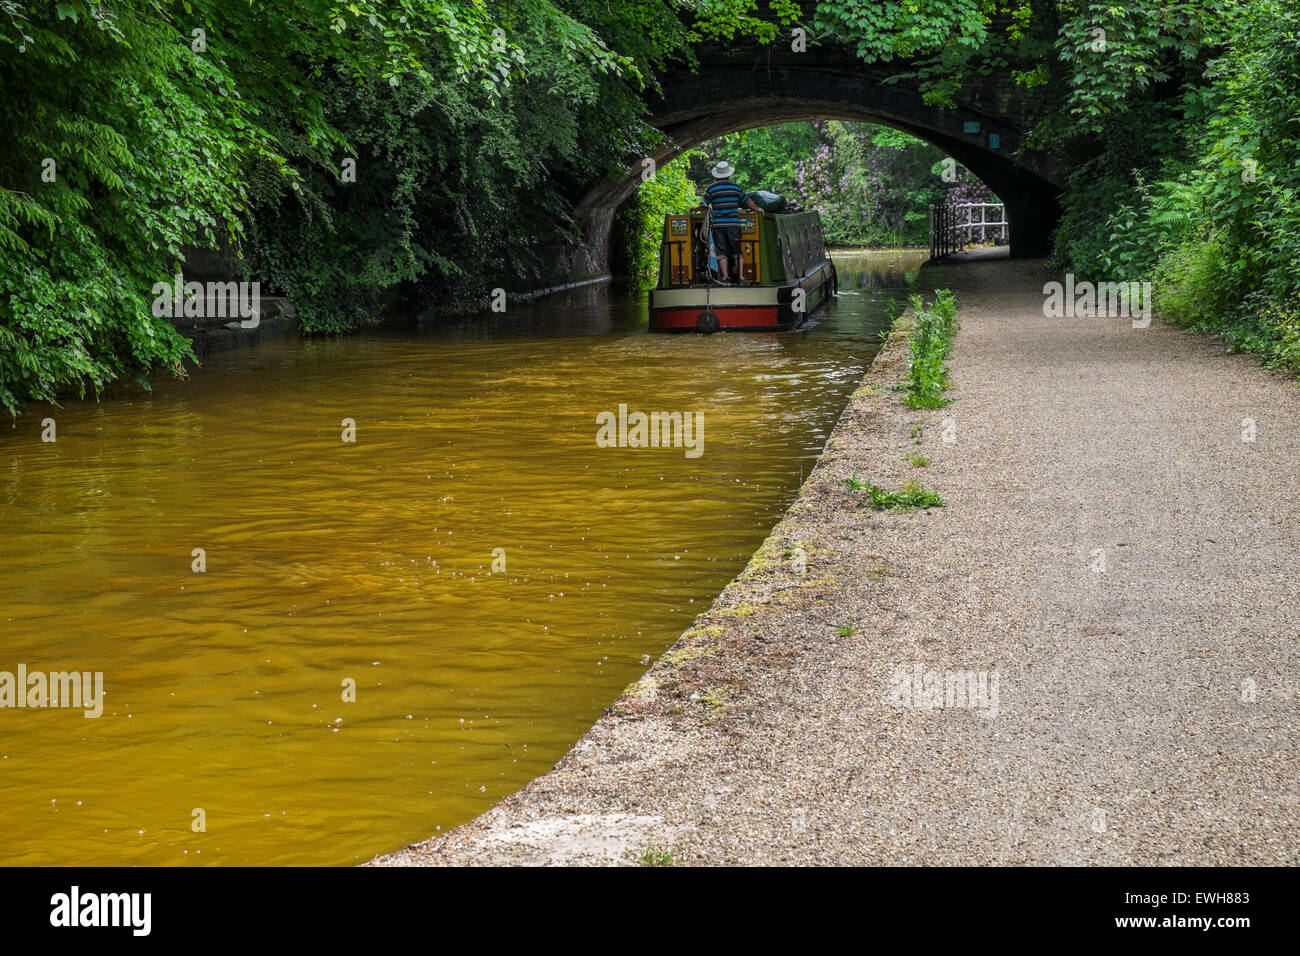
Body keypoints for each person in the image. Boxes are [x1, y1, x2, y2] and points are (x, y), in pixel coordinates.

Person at [703, 161, 745, 283]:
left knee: (721, 251)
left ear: (716, 175)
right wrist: (757, 209)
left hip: (718, 225)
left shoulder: (711, 188)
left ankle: (725, 277)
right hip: (733, 224)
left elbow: (704, 204)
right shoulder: (736, 187)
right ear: (729, 174)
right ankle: (741, 278)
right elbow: (747, 201)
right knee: (737, 250)